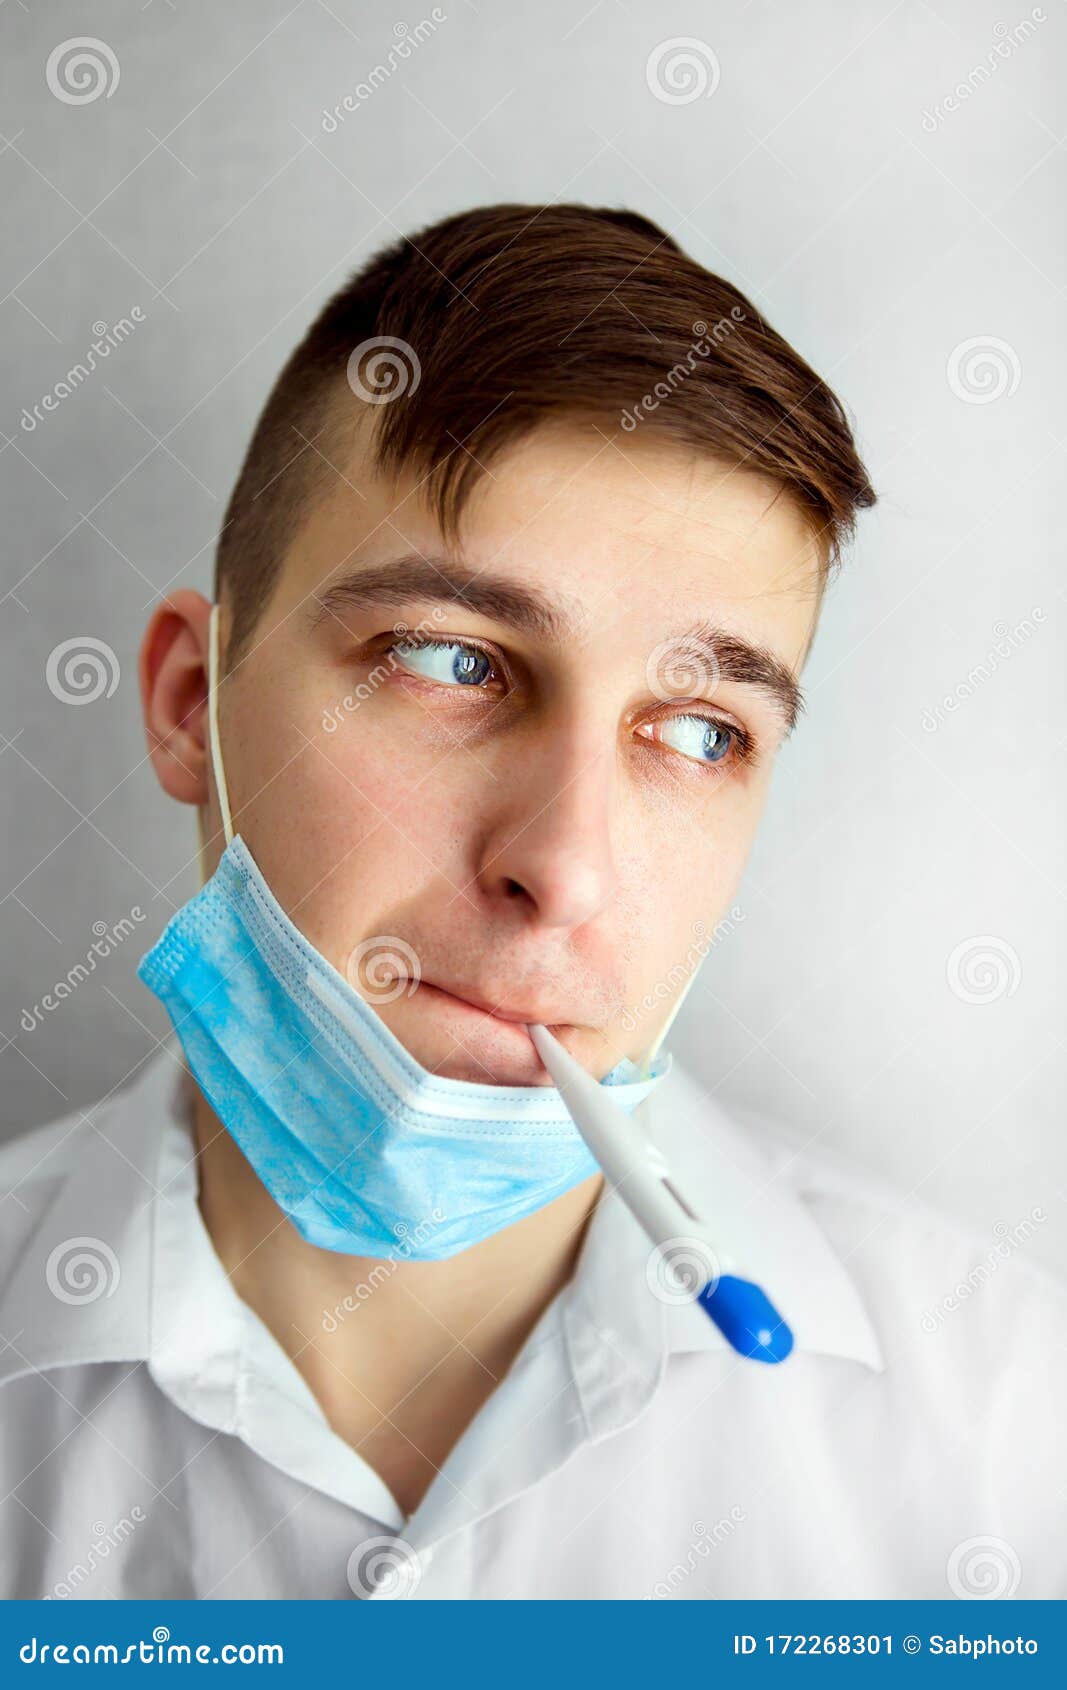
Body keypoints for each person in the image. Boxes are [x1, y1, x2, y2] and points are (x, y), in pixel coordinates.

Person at [1, 205, 1061, 1601]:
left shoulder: (1008, 1431)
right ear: (194, 704)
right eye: (451, 659)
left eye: (698, 732)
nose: (562, 866)